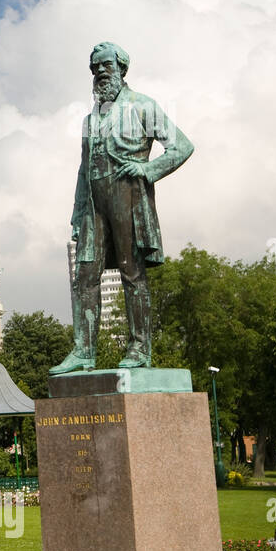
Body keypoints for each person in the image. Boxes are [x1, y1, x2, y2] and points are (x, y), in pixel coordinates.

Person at [50, 42, 193, 374]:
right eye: (94, 68)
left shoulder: (144, 106)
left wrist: (148, 169)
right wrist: (77, 212)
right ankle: (84, 351)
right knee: (85, 274)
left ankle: (139, 348)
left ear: (122, 69)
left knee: (131, 272)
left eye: (106, 66)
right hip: (93, 202)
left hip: (127, 194)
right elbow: (84, 169)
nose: (100, 72)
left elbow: (183, 147)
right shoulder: (90, 119)